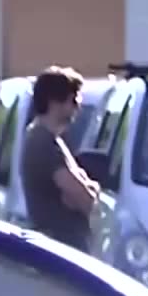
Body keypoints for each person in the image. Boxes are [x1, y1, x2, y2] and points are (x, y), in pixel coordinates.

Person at [18, 65, 99, 251]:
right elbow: (85, 198)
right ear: (55, 102)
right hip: (59, 250)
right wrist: (85, 191)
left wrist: (84, 190)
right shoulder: (42, 142)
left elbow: (82, 193)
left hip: (67, 247)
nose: (78, 106)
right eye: (73, 100)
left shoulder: (53, 140)